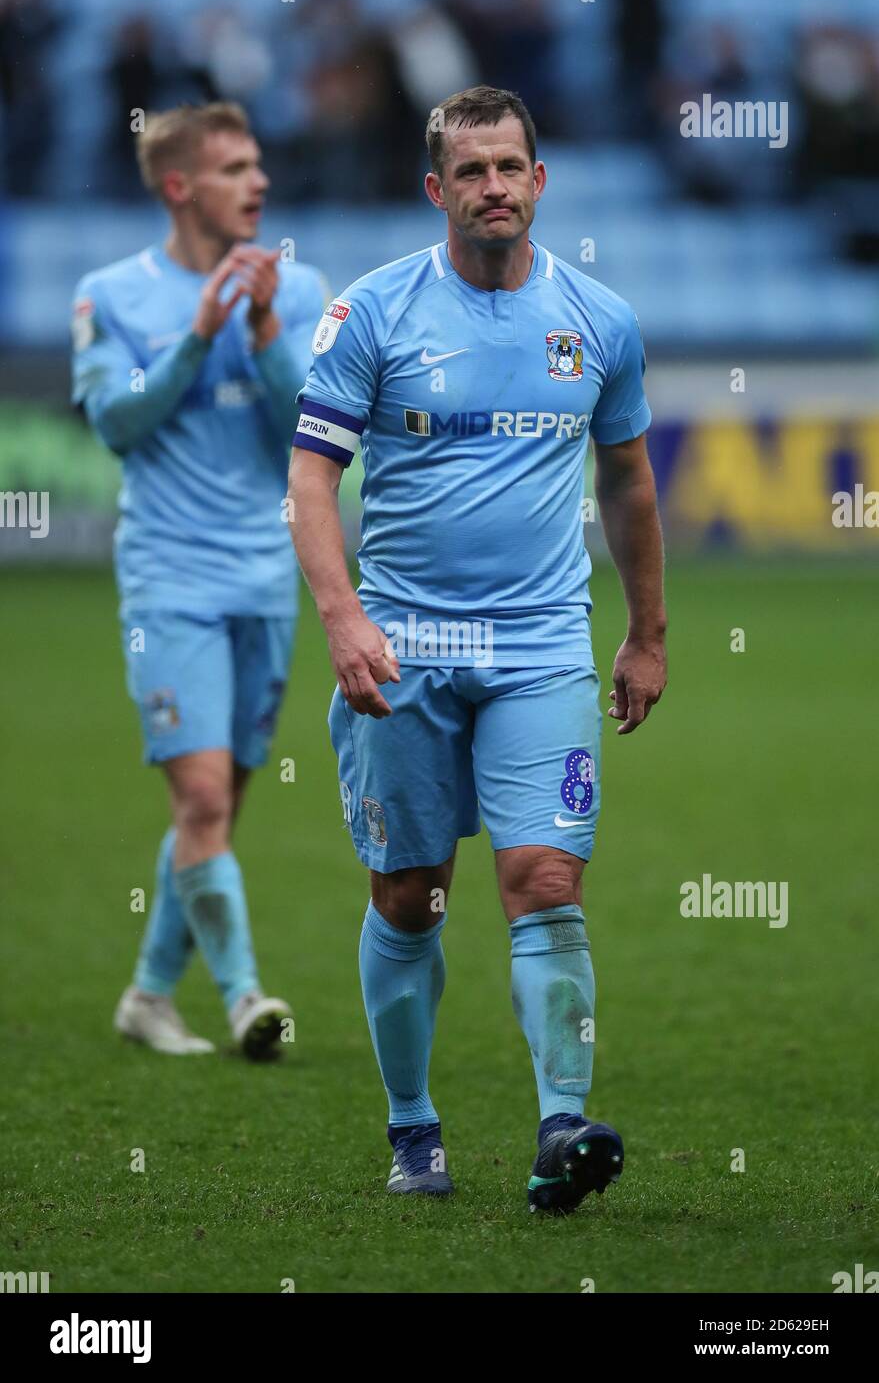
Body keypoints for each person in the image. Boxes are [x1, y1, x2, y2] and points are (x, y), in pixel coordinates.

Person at [289, 85, 667, 1211]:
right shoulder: (371, 314)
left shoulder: (600, 321)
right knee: (412, 894)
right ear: (436, 189)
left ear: (540, 182)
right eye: (472, 171)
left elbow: (630, 482)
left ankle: (560, 1130)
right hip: (400, 645)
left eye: (511, 167)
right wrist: (344, 616)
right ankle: (415, 1131)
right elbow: (310, 479)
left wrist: (647, 633)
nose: (494, 186)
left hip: (544, 643)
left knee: (545, 879)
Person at [72, 103, 326, 1058]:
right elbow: (116, 425)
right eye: (234, 168)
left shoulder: (296, 288)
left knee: (214, 807)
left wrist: (260, 332)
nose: (259, 182)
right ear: (180, 186)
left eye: (259, 164)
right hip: (168, 578)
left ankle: (145, 997)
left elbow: (310, 430)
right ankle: (245, 1000)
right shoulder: (111, 293)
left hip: (267, 576)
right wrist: (194, 337)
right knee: (206, 802)